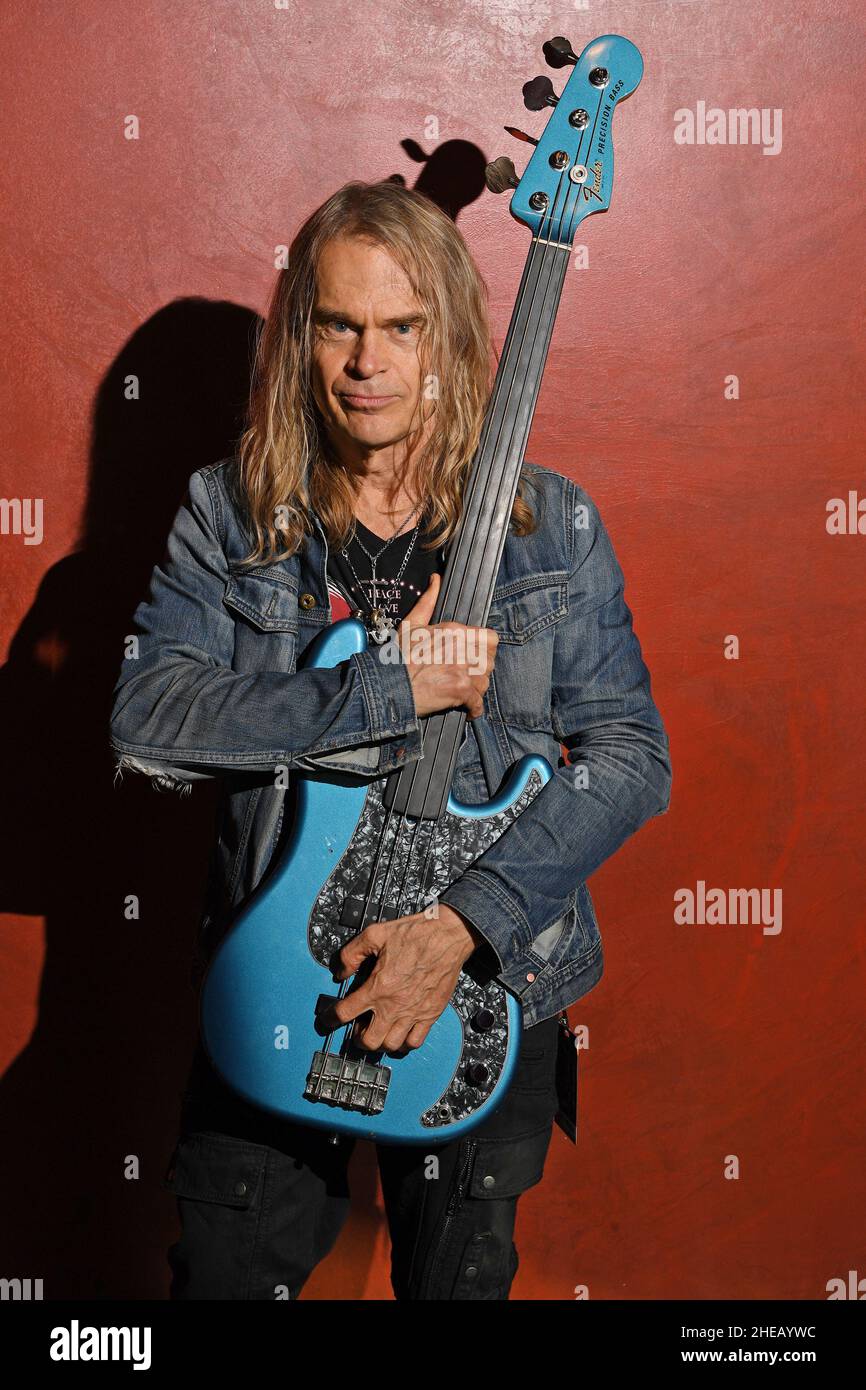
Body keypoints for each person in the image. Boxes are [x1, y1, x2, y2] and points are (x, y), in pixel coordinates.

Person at [109, 179, 672, 1300]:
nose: (367, 360)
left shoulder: (545, 523)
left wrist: (462, 929)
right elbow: (145, 721)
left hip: (478, 991)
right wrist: (380, 690)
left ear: (448, 337)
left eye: (400, 326)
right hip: (274, 977)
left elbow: (628, 756)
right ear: (301, 336)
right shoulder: (230, 515)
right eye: (337, 324)